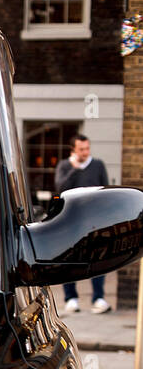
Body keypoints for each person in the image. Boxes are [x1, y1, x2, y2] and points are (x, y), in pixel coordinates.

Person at [56, 133, 111, 314]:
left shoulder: (98, 165)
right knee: (70, 259)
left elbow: (105, 190)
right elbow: (60, 188)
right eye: (81, 149)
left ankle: (99, 298)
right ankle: (71, 298)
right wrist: (74, 168)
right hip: (71, 221)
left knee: (98, 259)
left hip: (95, 220)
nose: (85, 152)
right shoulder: (65, 166)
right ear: (73, 150)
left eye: (87, 148)